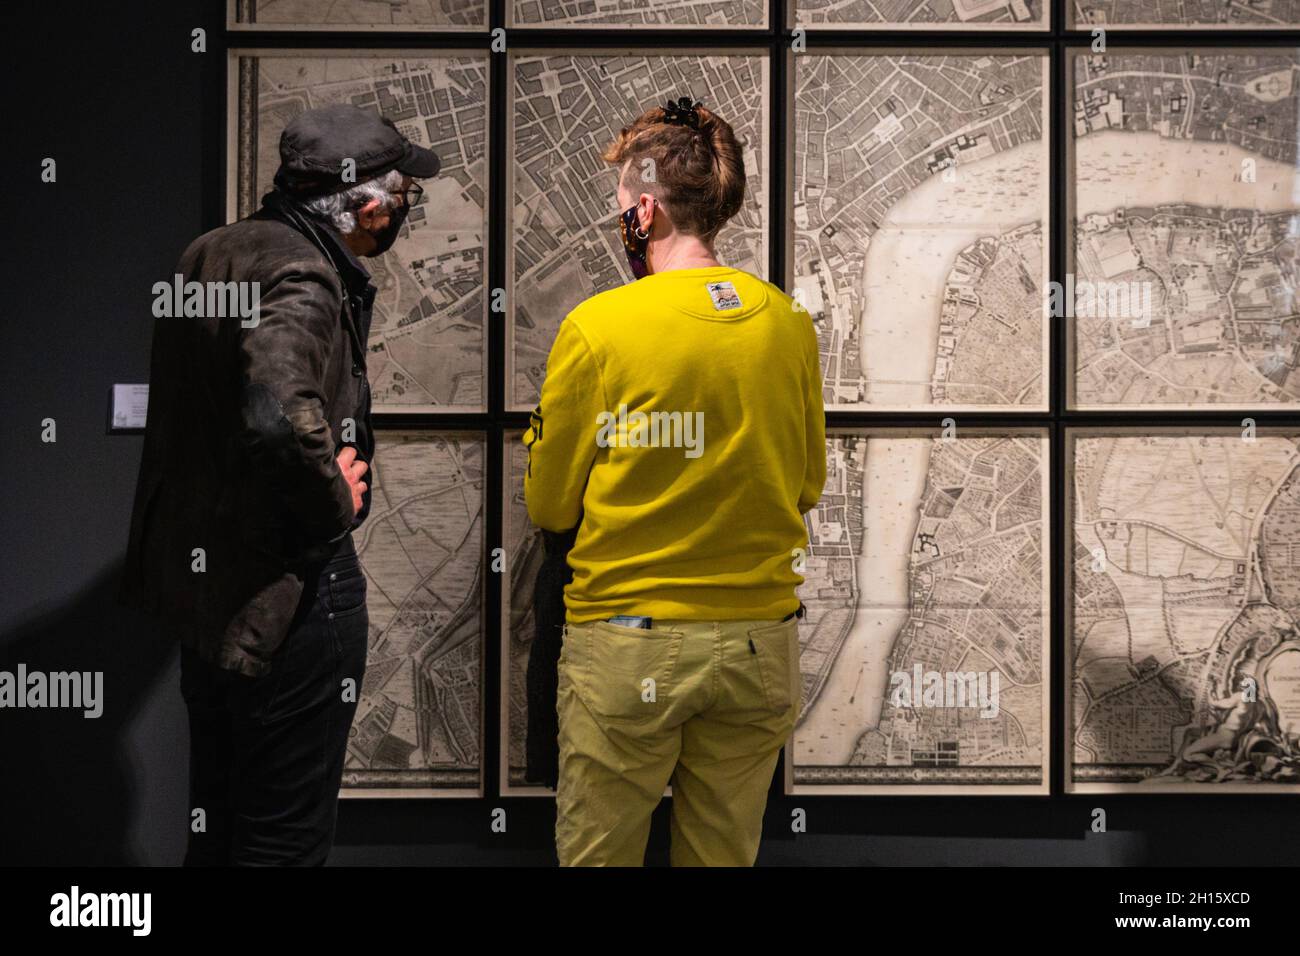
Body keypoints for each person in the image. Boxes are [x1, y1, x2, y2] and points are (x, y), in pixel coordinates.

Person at [120, 104, 441, 865]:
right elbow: (273, 411)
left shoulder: (210, 251)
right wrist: (337, 493)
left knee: (222, 828)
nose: (404, 214)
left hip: (210, 597)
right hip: (292, 593)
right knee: (283, 844)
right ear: (366, 204)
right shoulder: (304, 271)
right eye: (403, 199)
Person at [521, 96, 826, 866]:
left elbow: (550, 502)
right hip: (759, 646)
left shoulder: (601, 326)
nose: (620, 218)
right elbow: (808, 485)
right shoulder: (786, 322)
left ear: (647, 209)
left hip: (630, 644)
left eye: (622, 204)